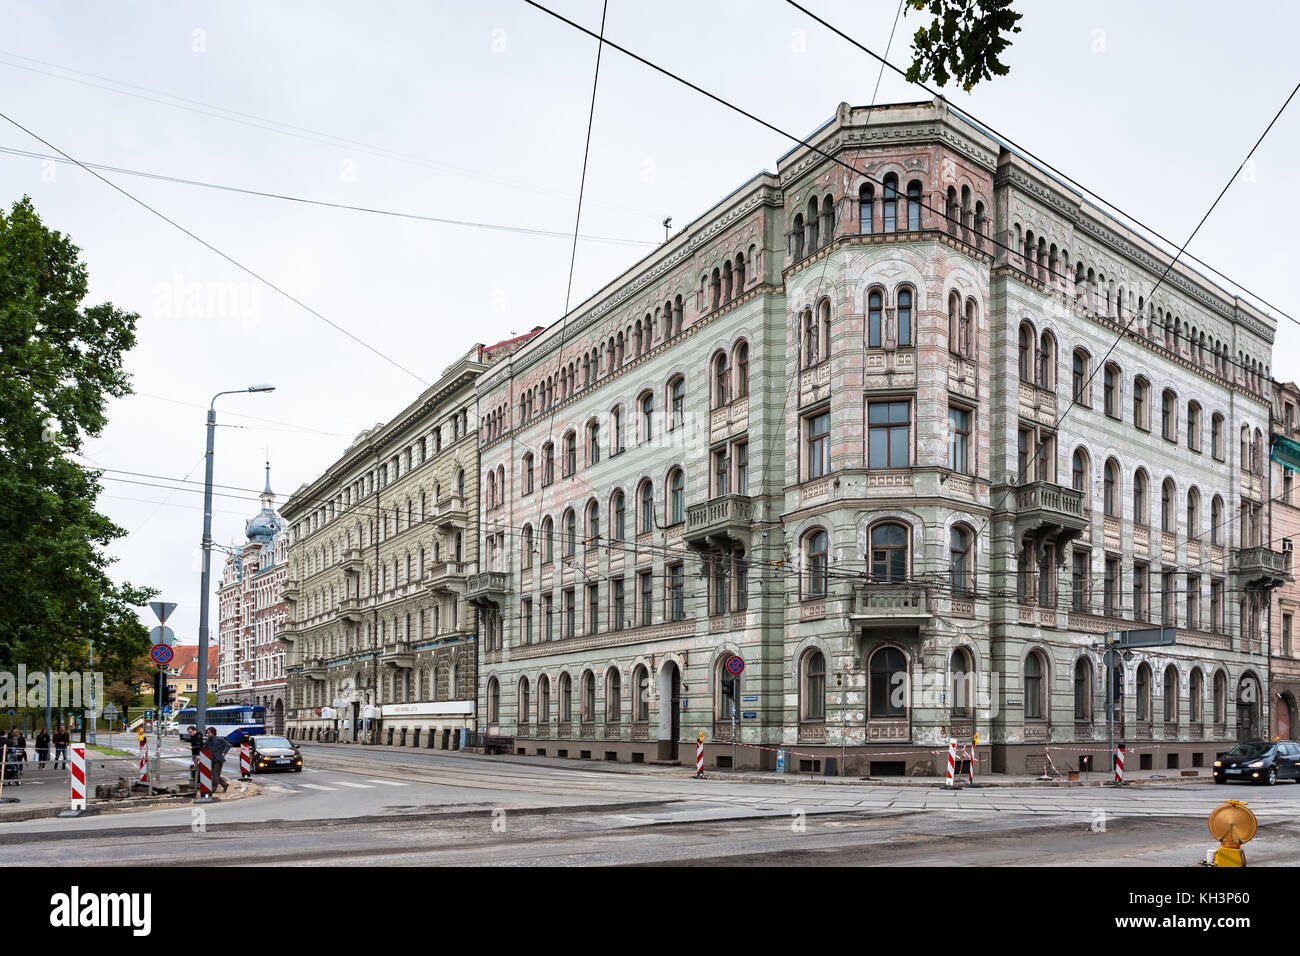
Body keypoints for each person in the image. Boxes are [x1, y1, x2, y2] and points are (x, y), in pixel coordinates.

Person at [205, 727, 230, 793]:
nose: (208, 734)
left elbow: (228, 745)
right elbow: (205, 748)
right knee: (214, 774)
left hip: (218, 759)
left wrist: (224, 752)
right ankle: (225, 785)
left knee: (215, 774)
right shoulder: (207, 741)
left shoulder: (219, 739)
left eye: (209, 733)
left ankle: (213, 789)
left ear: (213, 733)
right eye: (207, 733)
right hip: (211, 759)